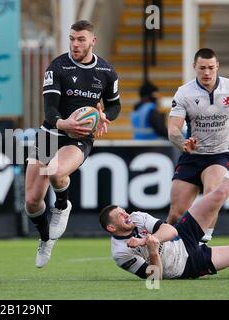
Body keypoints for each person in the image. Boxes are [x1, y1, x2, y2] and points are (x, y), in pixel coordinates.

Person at [25, 20, 121, 268]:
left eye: (80, 39)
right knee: (32, 201)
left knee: (57, 171)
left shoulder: (107, 72)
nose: (75, 44)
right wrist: (63, 123)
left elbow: (114, 104)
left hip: (79, 138)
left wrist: (105, 115)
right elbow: (49, 110)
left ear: (93, 41)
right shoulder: (58, 67)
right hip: (50, 133)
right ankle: (46, 239)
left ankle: (62, 205)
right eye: (72, 39)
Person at [99, 170, 229, 280]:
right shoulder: (120, 253)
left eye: (124, 211)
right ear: (111, 228)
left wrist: (144, 240)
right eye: (120, 216)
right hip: (187, 264)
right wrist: (153, 251)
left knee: (219, 194)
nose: (126, 215)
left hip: (183, 236)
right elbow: (154, 278)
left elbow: (171, 231)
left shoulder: (136, 217)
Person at [167, 48, 229, 242]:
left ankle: (202, 244)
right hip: (192, 155)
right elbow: (173, 130)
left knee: (213, 193)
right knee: (177, 214)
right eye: (202, 68)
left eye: (211, 67)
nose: (207, 73)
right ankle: (164, 250)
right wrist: (182, 143)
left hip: (221, 154)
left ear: (217, 66)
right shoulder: (184, 93)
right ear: (194, 67)